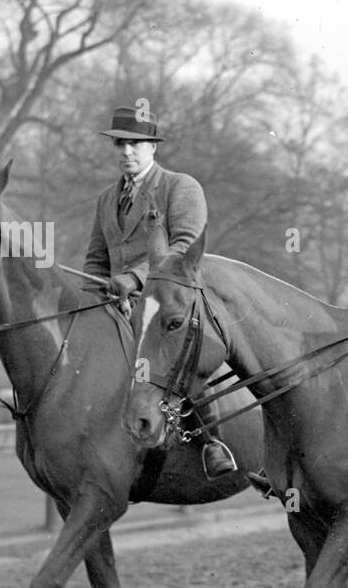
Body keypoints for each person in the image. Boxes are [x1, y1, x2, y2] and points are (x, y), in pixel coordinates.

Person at [84, 104, 237, 479]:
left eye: (136, 144)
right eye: (120, 144)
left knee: (178, 355)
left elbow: (184, 248)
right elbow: (94, 261)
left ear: (154, 146)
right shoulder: (106, 199)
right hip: (119, 309)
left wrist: (134, 279)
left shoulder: (180, 187)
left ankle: (211, 442)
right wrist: (91, 295)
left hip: (171, 303)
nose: (127, 152)